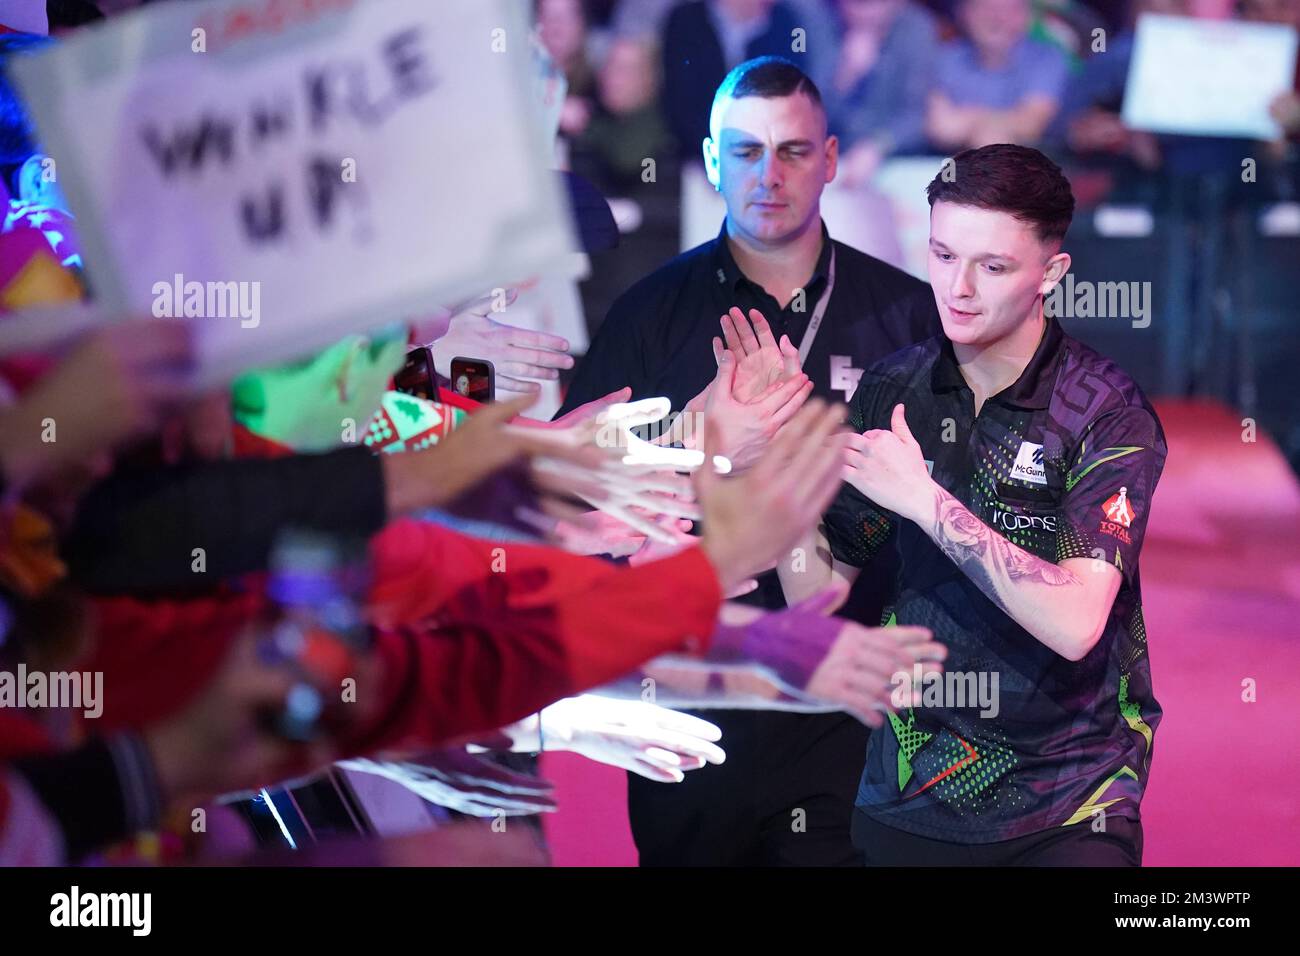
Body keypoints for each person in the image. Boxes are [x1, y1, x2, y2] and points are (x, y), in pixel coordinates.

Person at [557, 56, 939, 866]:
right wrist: (701, 440)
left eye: (794, 151)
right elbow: (571, 482)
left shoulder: (905, 315)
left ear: (830, 160)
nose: (770, 175)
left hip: (852, 709)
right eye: (745, 151)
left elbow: (946, 500)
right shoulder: (649, 312)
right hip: (693, 693)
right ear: (709, 162)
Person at [785, 144, 1166, 865]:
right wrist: (780, 473)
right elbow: (815, 592)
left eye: (992, 267)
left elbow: (1077, 622)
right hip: (907, 787)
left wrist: (927, 504)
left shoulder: (1107, 413)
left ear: (1051, 274)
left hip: (1071, 798)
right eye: (941, 254)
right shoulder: (894, 389)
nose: (957, 288)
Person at [925, 0, 1069, 152]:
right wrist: (1002, 121)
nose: (998, 18)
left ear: (1028, 17)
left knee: (991, 140)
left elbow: (1030, 125)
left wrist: (970, 119)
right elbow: (941, 130)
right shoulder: (944, 58)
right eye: (987, 8)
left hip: (1034, 164)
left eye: (1011, 9)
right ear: (964, 13)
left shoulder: (1047, 58)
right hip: (944, 164)